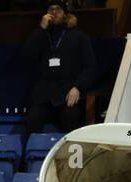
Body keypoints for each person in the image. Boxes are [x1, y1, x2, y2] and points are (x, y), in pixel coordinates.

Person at [23, 0, 95, 133]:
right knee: (33, 118)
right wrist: (41, 28)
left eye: (58, 10)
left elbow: (90, 67)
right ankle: (36, 153)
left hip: (68, 92)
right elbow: (28, 55)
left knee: (71, 115)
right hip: (45, 94)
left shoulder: (79, 37)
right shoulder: (42, 35)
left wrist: (78, 87)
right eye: (51, 9)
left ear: (65, 14)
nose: (54, 13)